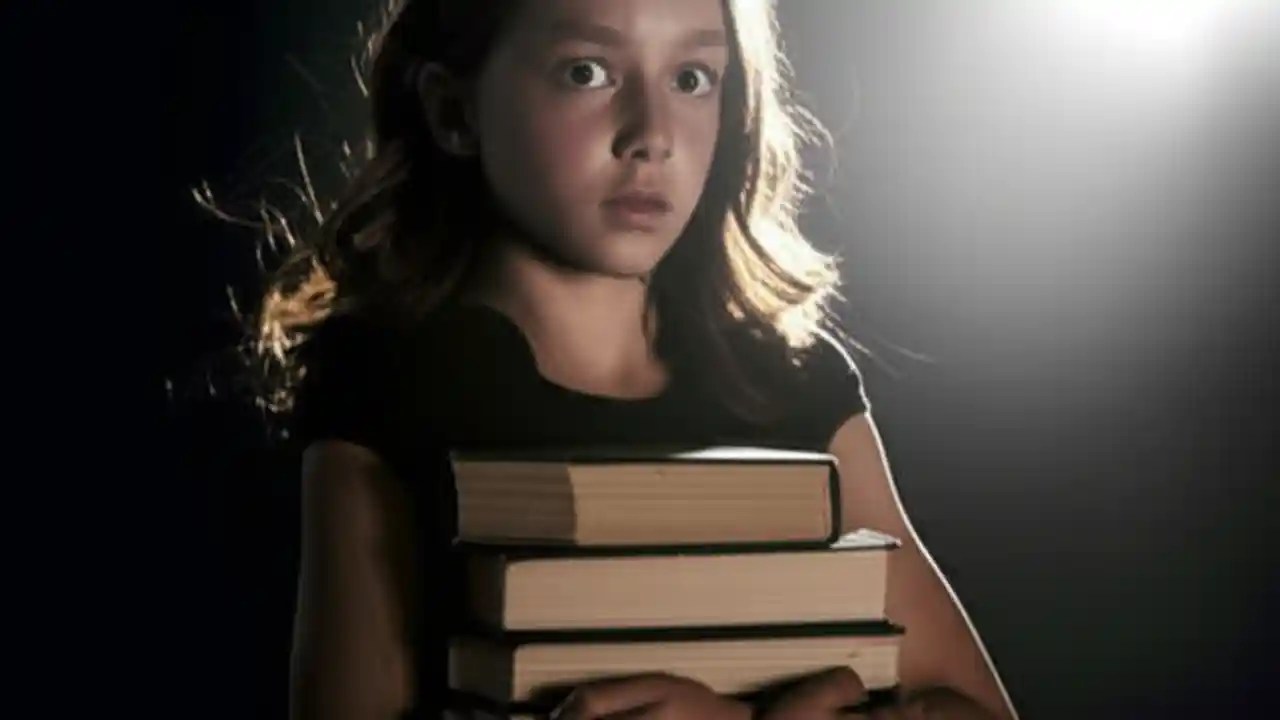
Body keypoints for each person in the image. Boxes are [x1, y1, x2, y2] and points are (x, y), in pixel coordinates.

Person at [255, 0, 1020, 718]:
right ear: (455, 111)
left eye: (692, 79)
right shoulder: (386, 386)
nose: (652, 133)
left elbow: (976, 707)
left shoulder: (789, 384)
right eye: (587, 71)